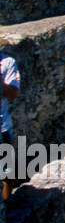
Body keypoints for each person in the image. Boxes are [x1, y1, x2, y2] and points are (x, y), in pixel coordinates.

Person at [0, 38, 20, 200]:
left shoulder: (7, 62)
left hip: (2, 128)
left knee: (6, 172)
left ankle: (6, 207)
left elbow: (13, 93)